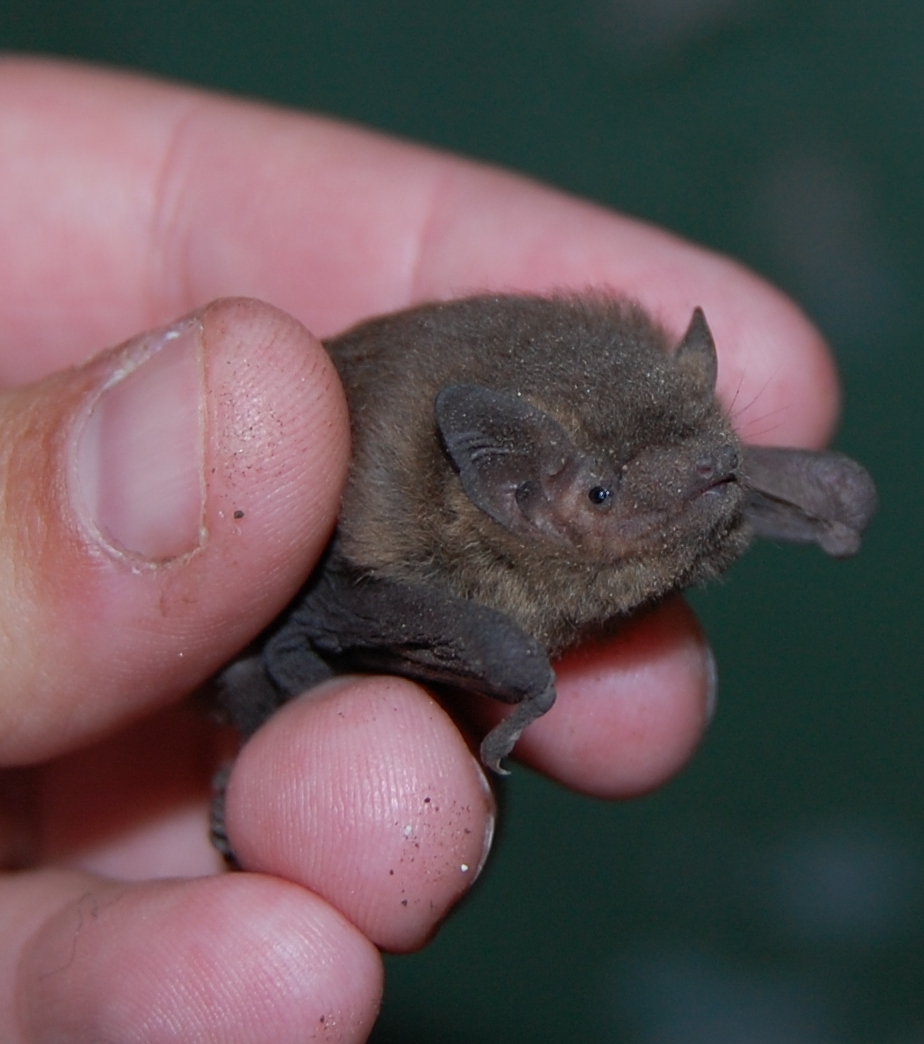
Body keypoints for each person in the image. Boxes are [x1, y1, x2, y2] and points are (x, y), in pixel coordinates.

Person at [0, 56, 838, 1041]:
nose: (691, 484)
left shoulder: (644, 454)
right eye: (602, 494)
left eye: (703, 446)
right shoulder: (399, 523)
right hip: (313, 564)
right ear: (512, 492)